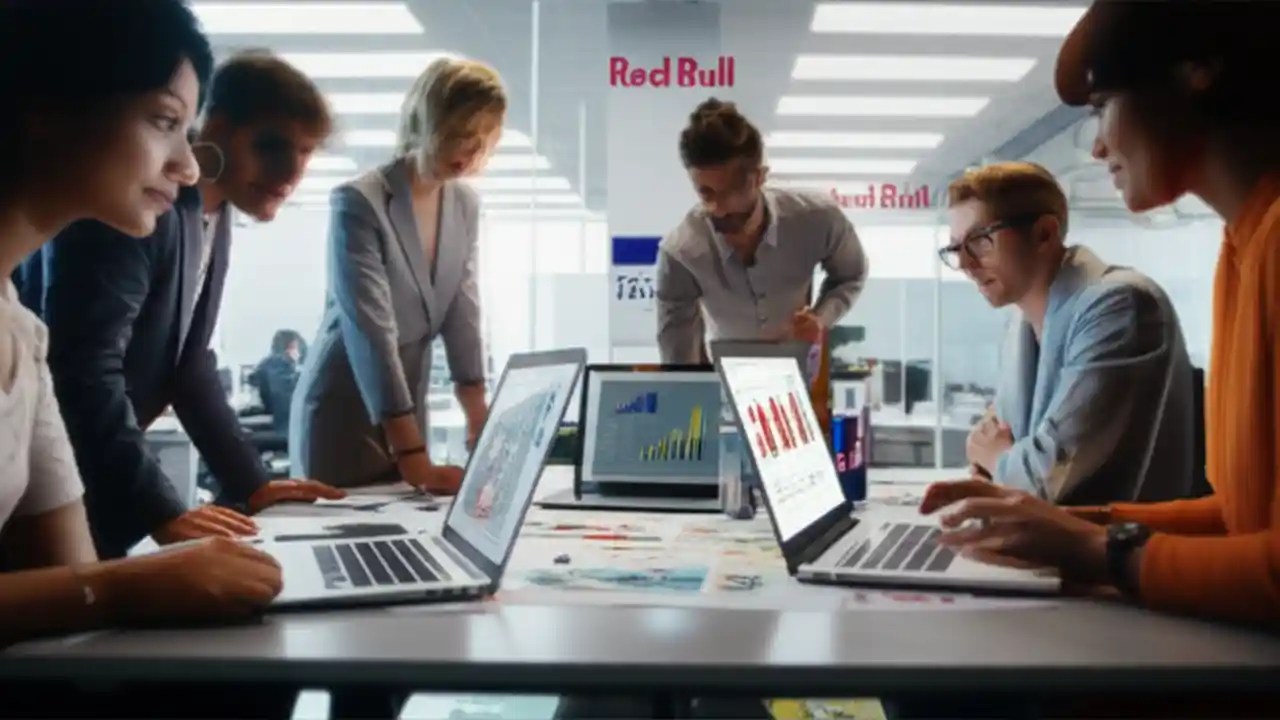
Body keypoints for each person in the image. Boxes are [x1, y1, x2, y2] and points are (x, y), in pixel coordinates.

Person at [921, 0, 1280, 629]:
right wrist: (1055, 527)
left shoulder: (1259, 247)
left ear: (1197, 69)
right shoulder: (1242, 249)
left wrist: (1093, 548)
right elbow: (1241, 516)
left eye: (1102, 105)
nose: (1097, 145)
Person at [0, 0, 288, 662]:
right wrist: (124, 586)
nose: (188, 168)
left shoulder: (21, 331)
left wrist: (119, 584)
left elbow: (69, 571)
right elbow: (89, 586)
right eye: (164, 122)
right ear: (45, 103)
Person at [16, 50, 346, 560]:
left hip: (84, 483)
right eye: (273, 146)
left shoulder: (210, 216)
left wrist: (252, 483)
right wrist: (161, 509)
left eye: (305, 153)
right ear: (215, 126)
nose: (291, 171)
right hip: (42, 489)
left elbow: (188, 366)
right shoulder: (132, 205)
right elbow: (83, 367)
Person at [290, 57, 498, 493]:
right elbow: (371, 330)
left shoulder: (464, 205)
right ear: (428, 122)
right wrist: (412, 456)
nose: (472, 151)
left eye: (484, 140)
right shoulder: (359, 202)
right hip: (345, 408)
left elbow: (464, 311)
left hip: (407, 405)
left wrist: (479, 419)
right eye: (461, 135)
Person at [943, 161, 1195, 506]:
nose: (967, 265)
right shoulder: (1021, 324)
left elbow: (1044, 478)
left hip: (1116, 550)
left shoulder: (1119, 305)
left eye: (980, 241)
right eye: (957, 249)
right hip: (1043, 543)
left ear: (1044, 233)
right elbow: (989, 453)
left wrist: (999, 460)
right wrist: (999, 460)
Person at [655, 98, 868, 364]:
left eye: (730, 192)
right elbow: (679, 359)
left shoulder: (817, 218)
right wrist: (699, 397)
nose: (717, 208)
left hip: (802, 372)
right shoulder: (680, 254)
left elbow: (852, 274)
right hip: (727, 378)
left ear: (760, 177)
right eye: (705, 192)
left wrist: (820, 319)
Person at [248, 328, 305, 432]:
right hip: (288, 428)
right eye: (297, 348)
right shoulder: (283, 368)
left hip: (277, 425)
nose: (299, 354)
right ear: (291, 347)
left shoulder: (265, 366)